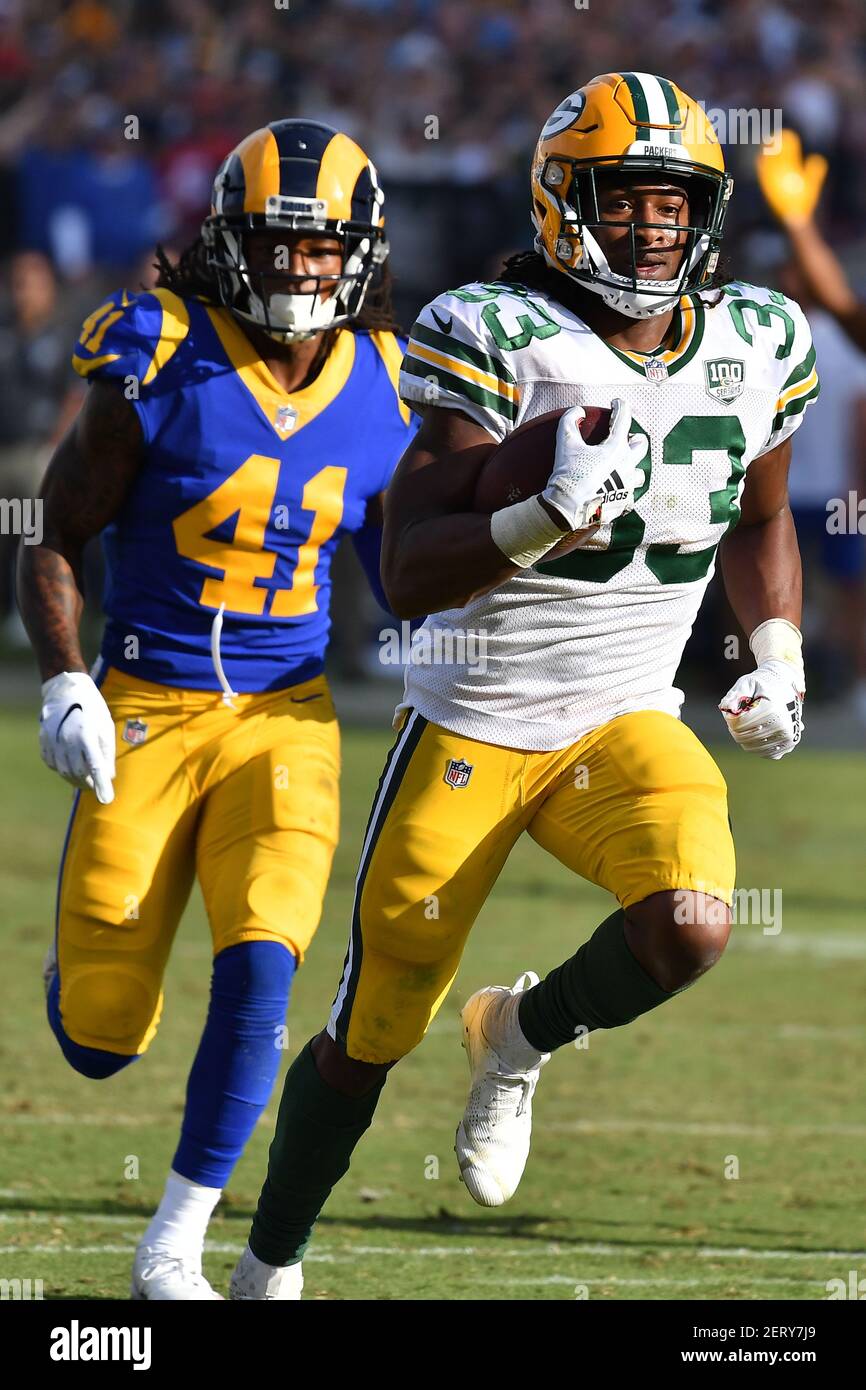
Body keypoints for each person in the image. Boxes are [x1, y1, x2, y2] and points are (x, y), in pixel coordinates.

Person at [229, 73, 818, 1301]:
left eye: (674, 203)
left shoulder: (758, 339)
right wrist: (538, 514)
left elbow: (762, 521)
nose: (654, 227)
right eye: (627, 201)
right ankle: (267, 1260)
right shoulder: (493, 332)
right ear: (563, 203)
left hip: (622, 718)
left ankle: (517, 1036)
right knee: (371, 1030)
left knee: (694, 922)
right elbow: (405, 570)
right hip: (476, 720)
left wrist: (773, 652)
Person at [17, 119, 417, 1299]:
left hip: (288, 714)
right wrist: (62, 673)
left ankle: (176, 1247)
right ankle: (83, 984)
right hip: (147, 699)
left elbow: (413, 564)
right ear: (232, 243)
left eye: (323, 248)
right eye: (281, 245)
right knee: (99, 1036)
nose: (302, 270)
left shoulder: (393, 382)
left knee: (265, 957)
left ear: (360, 254)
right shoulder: (159, 351)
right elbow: (57, 532)